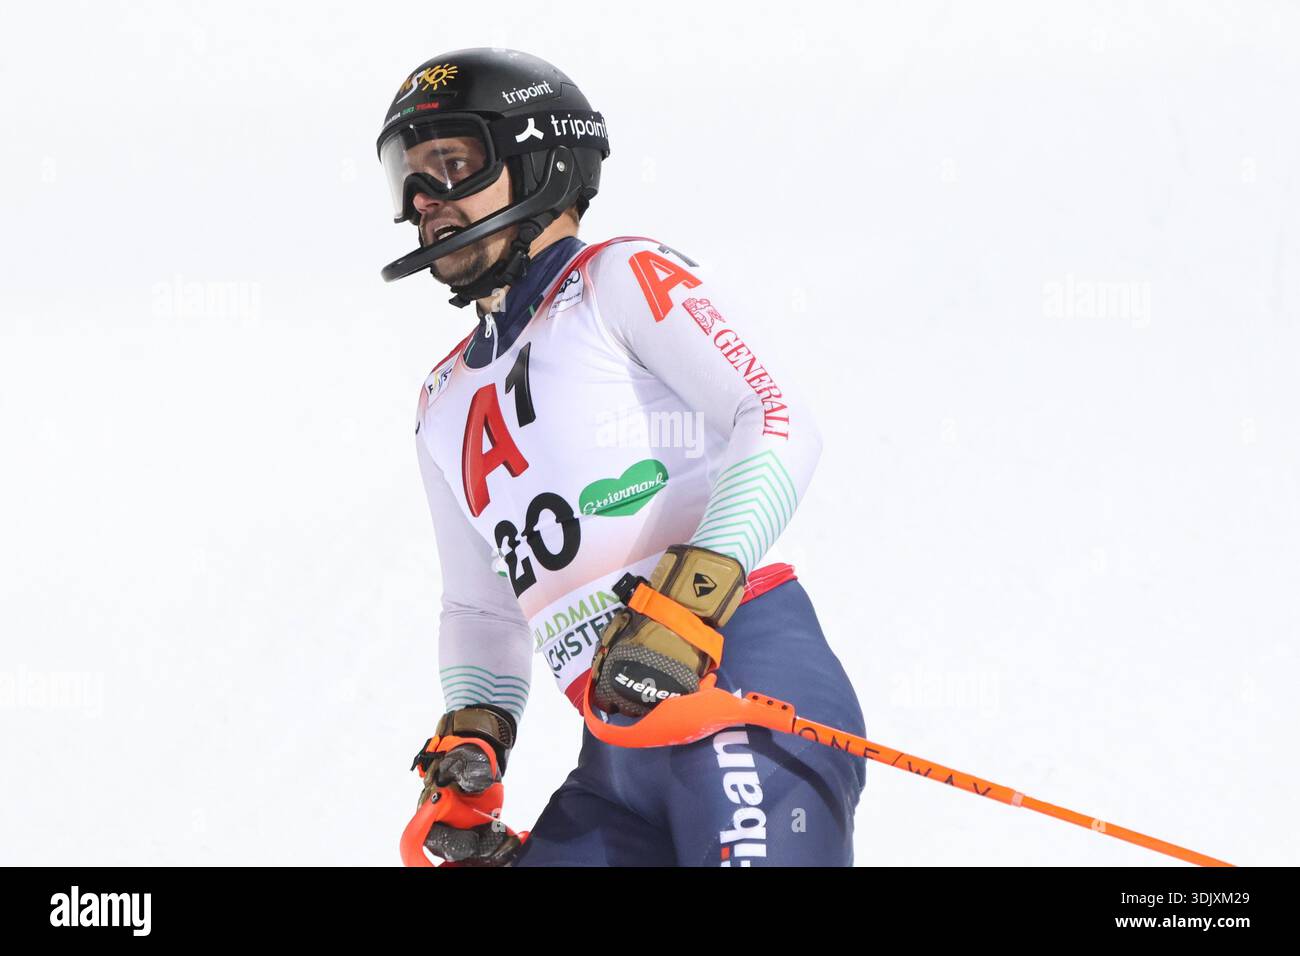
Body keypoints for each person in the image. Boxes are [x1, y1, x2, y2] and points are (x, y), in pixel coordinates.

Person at [377, 48, 865, 866]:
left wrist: (686, 604)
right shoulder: (442, 402)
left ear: (538, 160)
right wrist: (473, 742)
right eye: (412, 178)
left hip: (741, 681)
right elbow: (481, 608)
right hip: (616, 745)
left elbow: (776, 418)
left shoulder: (617, 280)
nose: (426, 200)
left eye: (453, 164)